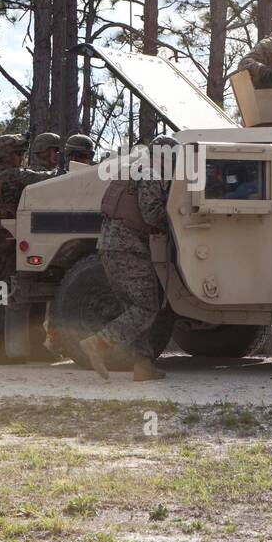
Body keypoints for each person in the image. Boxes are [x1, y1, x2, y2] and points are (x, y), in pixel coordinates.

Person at [80, 136, 175, 382]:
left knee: (134, 307)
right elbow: (151, 214)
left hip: (112, 247)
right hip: (128, 248)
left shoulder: (134, 171)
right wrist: (175, 219)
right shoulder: (151, 174)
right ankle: (100, 343)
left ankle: (143, 366)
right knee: (146, 307)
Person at [0, 134, 52, 363]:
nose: (21, 158)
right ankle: (2, 351)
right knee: (2, 299)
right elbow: (49, 177)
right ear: (8, 155)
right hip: (4, 248)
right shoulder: (15, 176)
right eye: (18, 154)